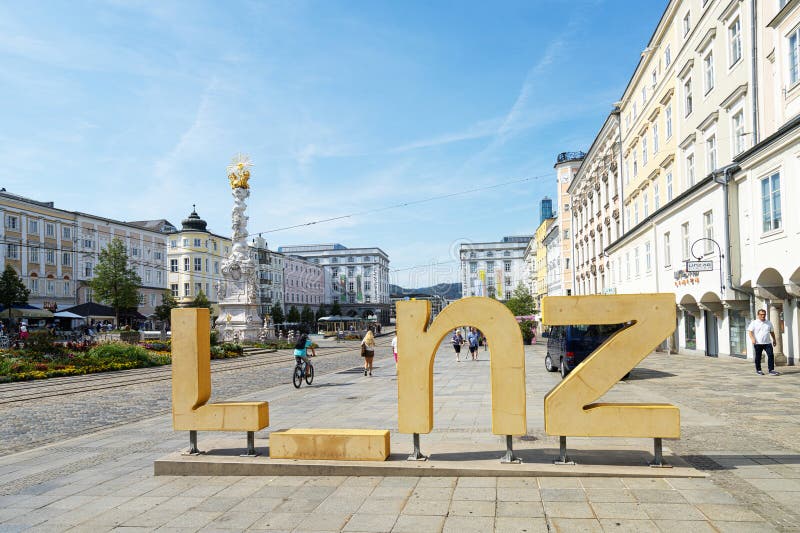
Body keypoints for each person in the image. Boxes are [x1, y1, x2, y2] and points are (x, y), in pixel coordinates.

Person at [747, 309, 779, 376]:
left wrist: (774, 340)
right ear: (758, 315)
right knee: (758, 357)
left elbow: (772, 332)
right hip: (758, 343)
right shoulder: (754, 322)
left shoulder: (768, 322)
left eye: (764, 314)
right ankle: (758, 370)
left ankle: (771, 370)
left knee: (770, 355)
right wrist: (753, 339)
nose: (763, 316)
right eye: (761, 314)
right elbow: (750, 332)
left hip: (767, 343)